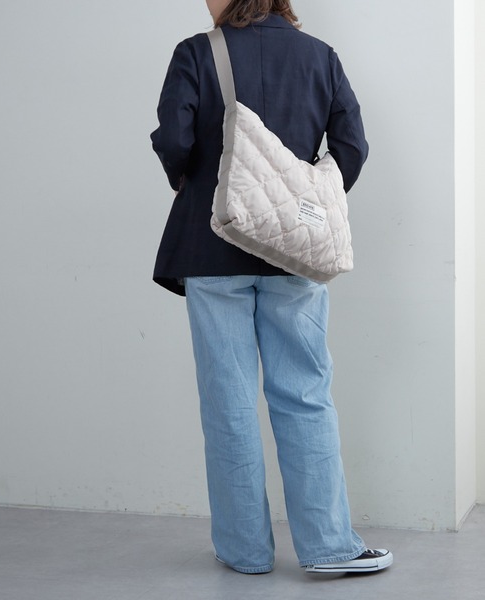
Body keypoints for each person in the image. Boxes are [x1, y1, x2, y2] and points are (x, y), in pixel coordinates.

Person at [150, 0, 393, 576]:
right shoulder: (320, 57)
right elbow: (352, 146)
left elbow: (174, 139)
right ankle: (330, 546)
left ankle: (244, 551)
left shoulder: (198, 53)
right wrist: (304, 203)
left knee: (227, 401)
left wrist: (191, 180)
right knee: (304, 394)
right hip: (294, 254)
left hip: (212, 244)